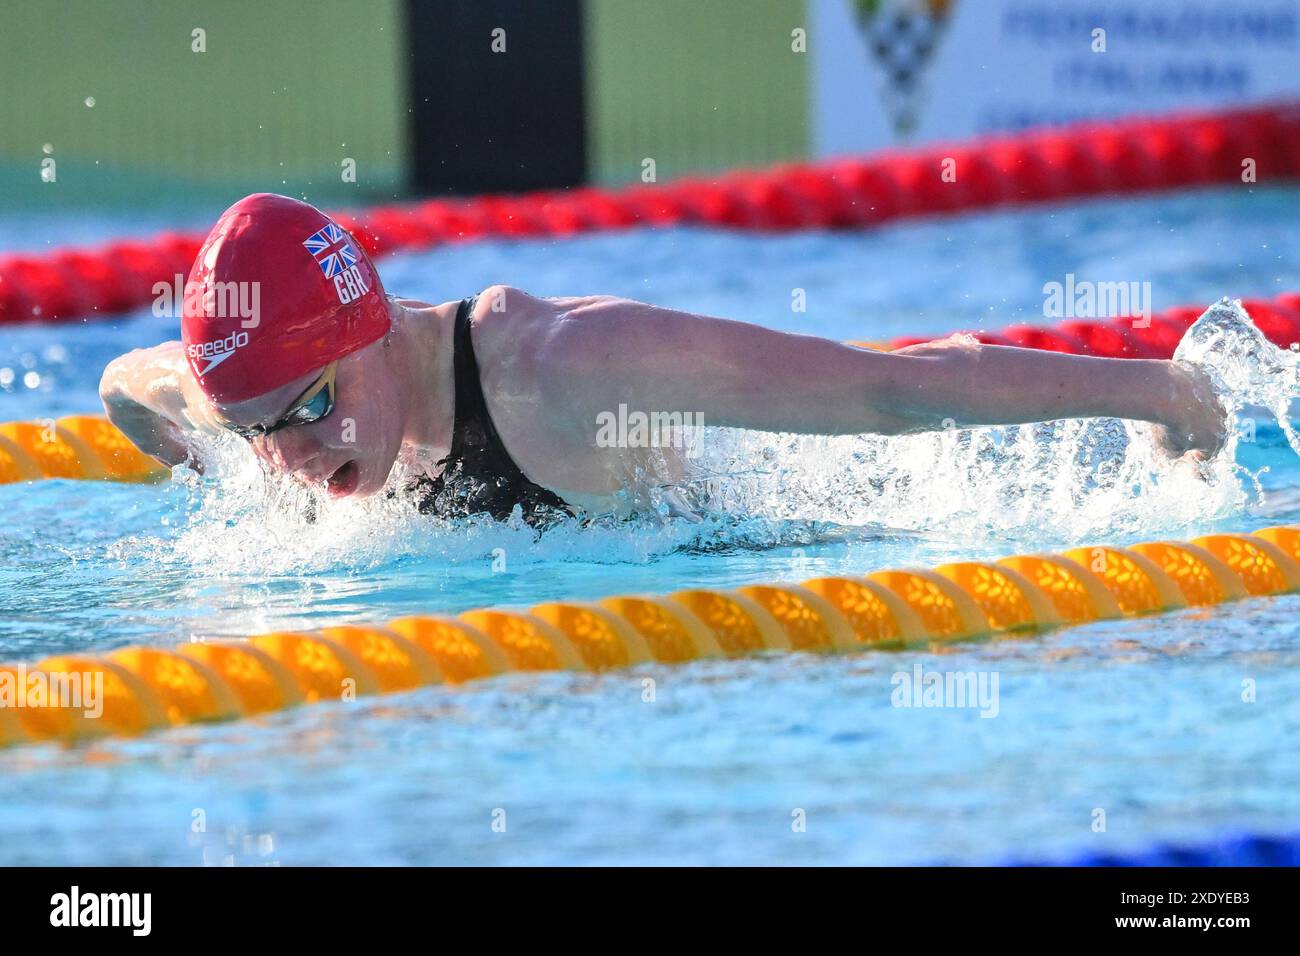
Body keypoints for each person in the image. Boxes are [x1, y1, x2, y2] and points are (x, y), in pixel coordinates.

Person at [100, 193, 1225, 522]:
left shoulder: (568, 369)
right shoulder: (265, 399)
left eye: (303, 412)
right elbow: (128, 386)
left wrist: (1149, 390)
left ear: (367, 331)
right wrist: (204, 447)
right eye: (254, 431)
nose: (285, 457)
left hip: (780, 538)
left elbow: (891, 386)